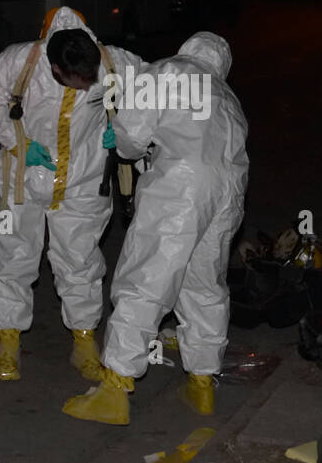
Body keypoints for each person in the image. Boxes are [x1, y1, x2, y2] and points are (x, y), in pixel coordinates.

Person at [62, 32, 249, 426]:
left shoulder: (167, 70)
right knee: (204, 285)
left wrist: (123, 144)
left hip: (180, 185)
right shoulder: (228, 96)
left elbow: (131, 136)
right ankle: (201, 383)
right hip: (229, 192)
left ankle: (115, 388)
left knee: (146, 277)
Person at [0, 7, 144, 380]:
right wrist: (17, 140)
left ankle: (84, 343)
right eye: (77, 80)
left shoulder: (112, 62)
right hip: (21, 179)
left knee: (80, 262)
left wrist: (127, 131)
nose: (86, 85)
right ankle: (9, 344)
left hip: (83, 183)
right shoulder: (21, 61)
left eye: (89, 80)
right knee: (13, 258)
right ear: (55, 70)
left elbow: (152, 92)